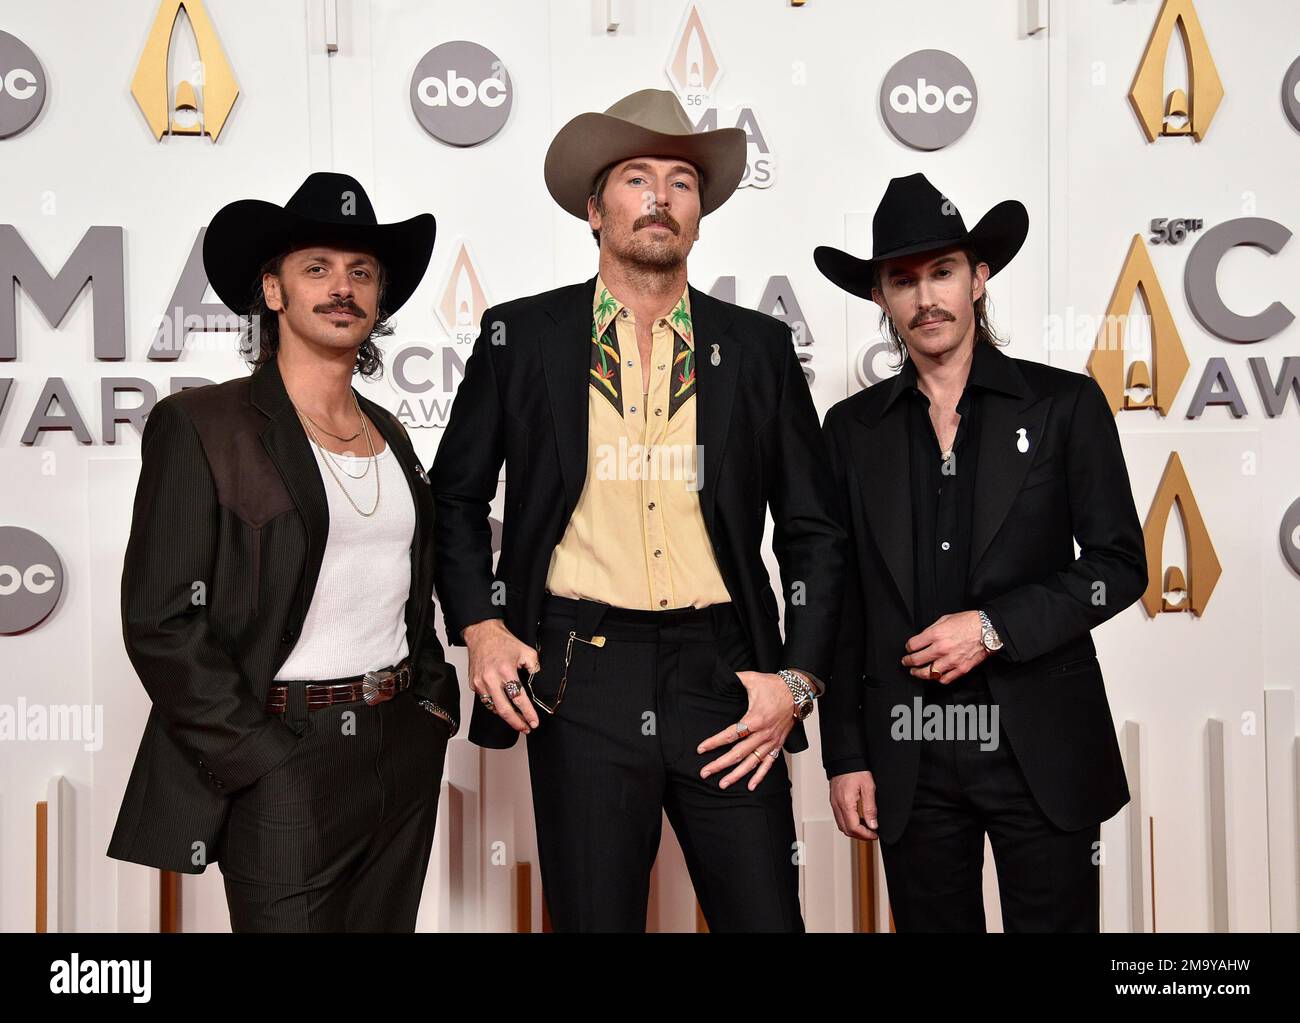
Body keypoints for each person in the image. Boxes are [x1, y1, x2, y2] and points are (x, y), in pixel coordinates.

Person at [431, 89, 845, 931]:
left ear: (699, 215)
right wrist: (480, 625)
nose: (661, 196)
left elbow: (814, 530)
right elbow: (455, 496)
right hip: (581, 671)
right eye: (636, 177)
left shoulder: (757, 348)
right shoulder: (523, 337)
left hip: (725, 673)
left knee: (767, 918)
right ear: (595, 208)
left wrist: (797, 680)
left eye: (682, 182)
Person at [108, 172, 458, 932]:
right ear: (273, 292)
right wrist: (259, 755)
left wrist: (430, 705)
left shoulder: (391, 433)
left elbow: (409, 588)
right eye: (318, 268)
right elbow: (161, 622)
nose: (343, 287)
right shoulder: (202, 426)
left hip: (400, 742)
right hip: (285, 751)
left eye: (362, 272)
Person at [815, 172, 1147, 932]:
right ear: (881, 299)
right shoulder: (850, 431)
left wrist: (993, 626)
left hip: (1042, 745)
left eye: (943, 272)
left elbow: (1118, 564)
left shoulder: (1064, 405)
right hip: (908, 755)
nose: (926, 297)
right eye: (904, 280)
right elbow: (838, 603)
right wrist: (845, 755)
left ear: (979, 279)